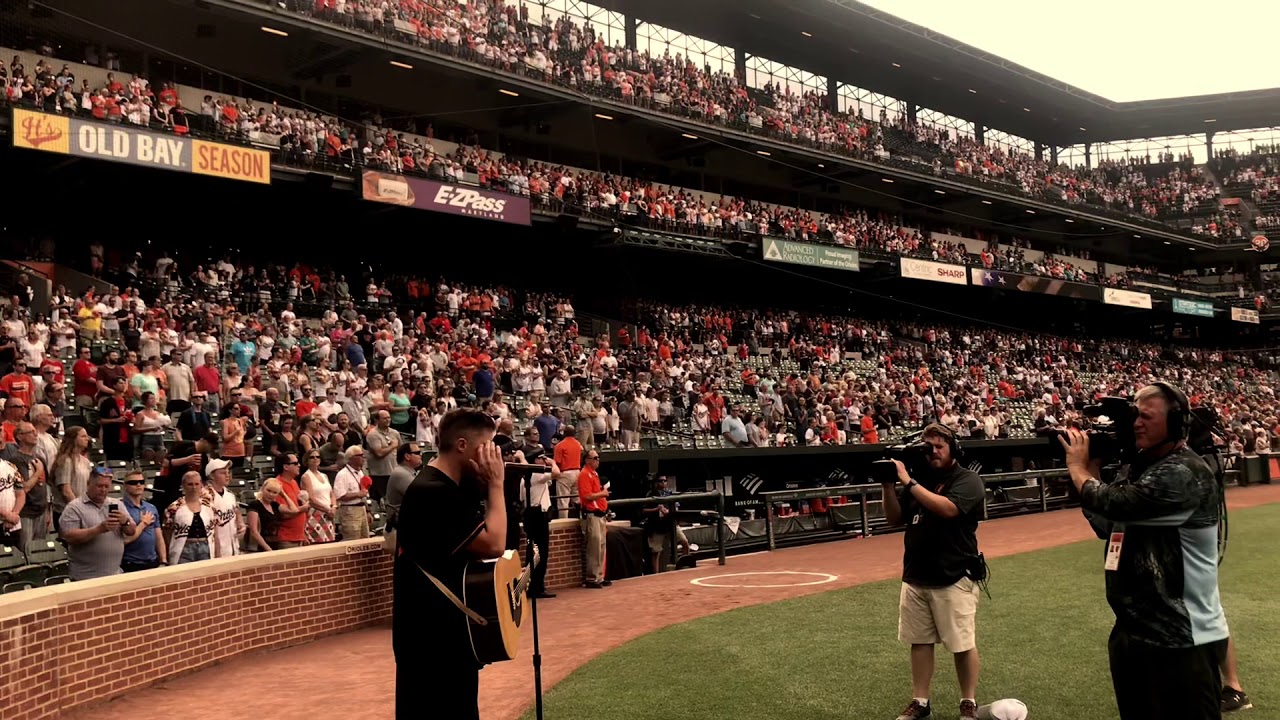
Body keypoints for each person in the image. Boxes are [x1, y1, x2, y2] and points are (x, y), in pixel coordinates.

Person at [1059, 382, 1228, 720]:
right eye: (1136, 416)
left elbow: (1115, 502)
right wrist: (1091, 469)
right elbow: (1108, 523)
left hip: (1180, 640)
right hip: (1134, 634)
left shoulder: (1183, 472)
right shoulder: (1144, 471)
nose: (1137, 423)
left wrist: (1078, 469)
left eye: (1147, 417)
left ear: (1177, 423)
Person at [393, 409, 507, 720]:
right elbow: (495, 544)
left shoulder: (448, 486)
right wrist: (496, 485)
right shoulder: (434, 492)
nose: (492, 457)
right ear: (461, 446)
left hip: (446, 635)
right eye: (486, 448)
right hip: (431, 643)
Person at [878, 423, 985, 720]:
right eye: (928, 447)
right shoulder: (918, 479)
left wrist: (908, 482)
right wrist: (888, 484)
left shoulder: (968, 479)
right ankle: (921, 701)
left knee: (962, 644)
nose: (933, 452)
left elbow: (948, 509)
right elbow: (893, 519)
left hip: (954, 575)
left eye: (939, 446)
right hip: (916, 575)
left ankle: (968, 702)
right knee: (920, 641)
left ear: (954, 448)